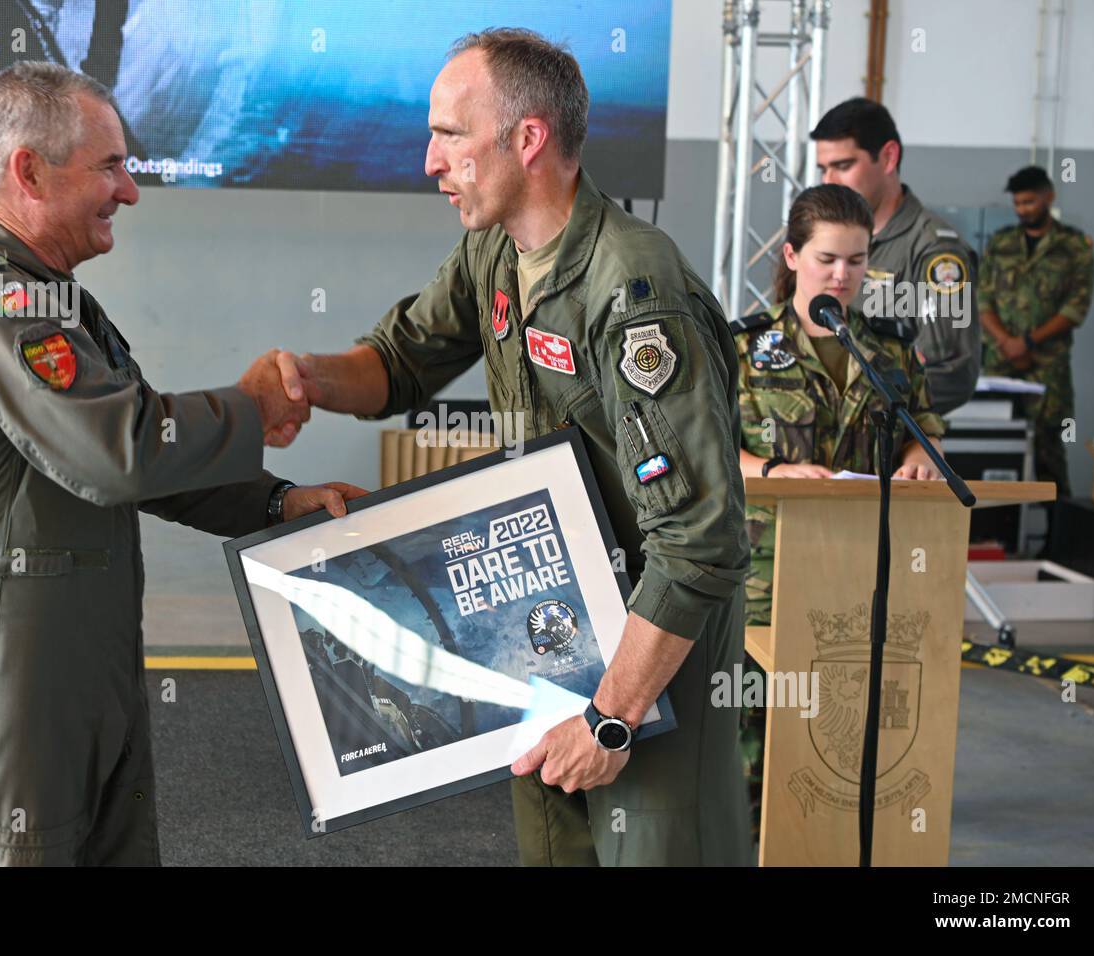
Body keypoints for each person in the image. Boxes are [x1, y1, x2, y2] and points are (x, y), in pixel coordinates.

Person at [264, 29, 752, 866]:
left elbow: (702, 540)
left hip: (651, 643)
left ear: (527, 140)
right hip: (553, 629)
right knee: (557, 852)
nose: (429, 161)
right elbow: (400, 362)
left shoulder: (632, 291)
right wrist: (303, 377)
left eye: (450, 135)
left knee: (657, 849)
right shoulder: (495, 250)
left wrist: (613, 714)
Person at [0, 61, 361, 866]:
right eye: (111, 166)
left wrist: (281, 503)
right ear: (29, 171)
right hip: (16, 661)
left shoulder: (51, 298)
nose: (131, 191)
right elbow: (120, 453)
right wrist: (250, 403)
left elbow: (147, 452)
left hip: (83, 649)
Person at [731, 184, 947, 627]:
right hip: (766, 566)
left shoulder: (892, 349)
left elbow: (923, 427)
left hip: (864, 558)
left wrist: (921, 456)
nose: (841, 276)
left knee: (846, 691)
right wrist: (774, 471)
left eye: (856, 260)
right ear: (792, 256)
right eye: (826, 260)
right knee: (760, 692)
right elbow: (706, 453)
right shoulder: (741, 346)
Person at [812, 98, 980, 416]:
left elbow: (953, 373)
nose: (828, 181)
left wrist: (856, 406)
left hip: (893, 451)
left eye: (844, 166)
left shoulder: (935, 251)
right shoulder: (823, 240)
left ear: (888, 158)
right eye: (823, 169)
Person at [978, 164, 1094, 500]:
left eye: (1029, 202)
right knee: (995, 447)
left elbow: (1076, 308)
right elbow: (982, 297)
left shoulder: (1074, 246)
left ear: (1048, 197)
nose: (1022, 209)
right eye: (1018, 203)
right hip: (1000, 363)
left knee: (1049, 452)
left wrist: (1028, 342)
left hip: (1048, 366)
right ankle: (996, 532)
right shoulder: (1001, 244)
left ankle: (1055, 540)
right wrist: (1007, 341)